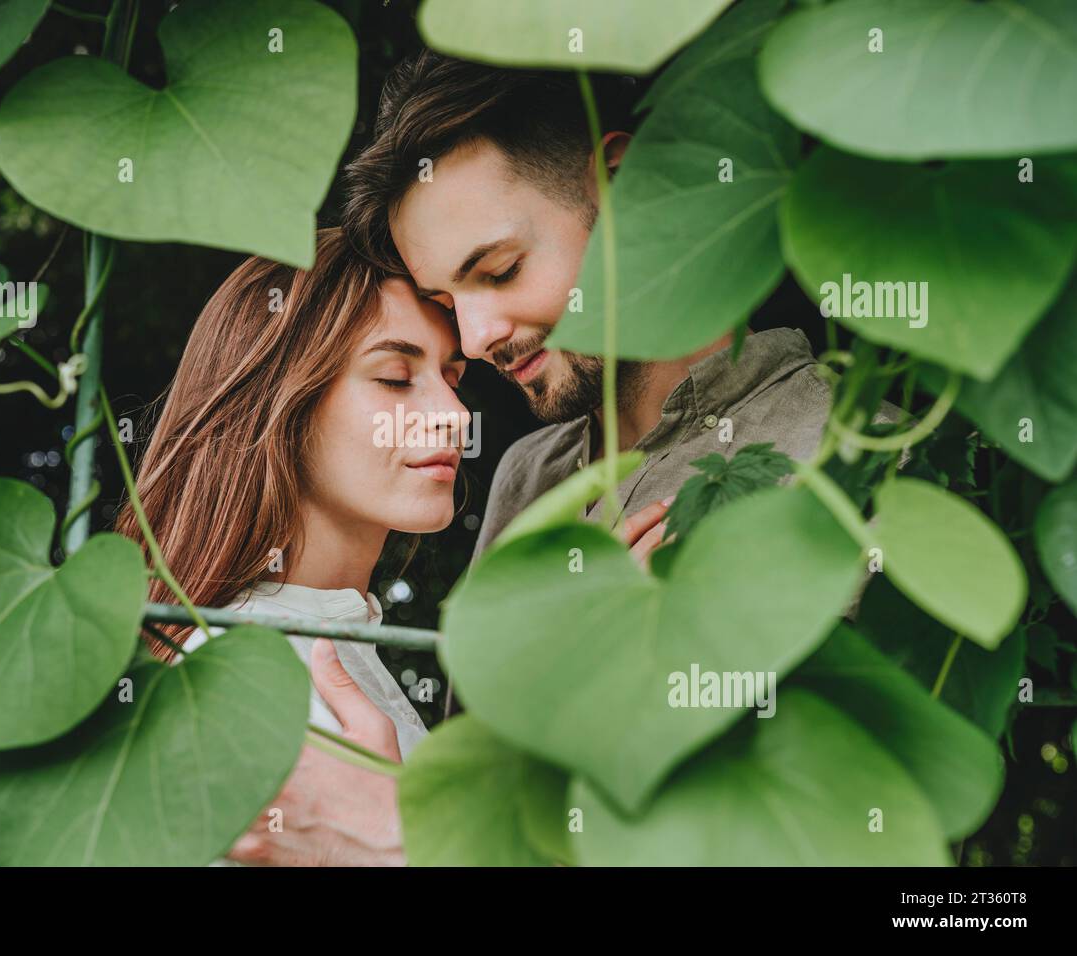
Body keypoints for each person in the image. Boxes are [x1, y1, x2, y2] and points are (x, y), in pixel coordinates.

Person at [229, 50, 899, 866]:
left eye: (501, 271)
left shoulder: (860, 453)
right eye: (447, 304)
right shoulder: (528, 477)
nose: (475, 341)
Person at [112, 227, 470, 864]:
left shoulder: (320, 640)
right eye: (395, 378)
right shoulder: (239, 680)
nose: (454, 413)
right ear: (280, 405)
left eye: (452, 376)